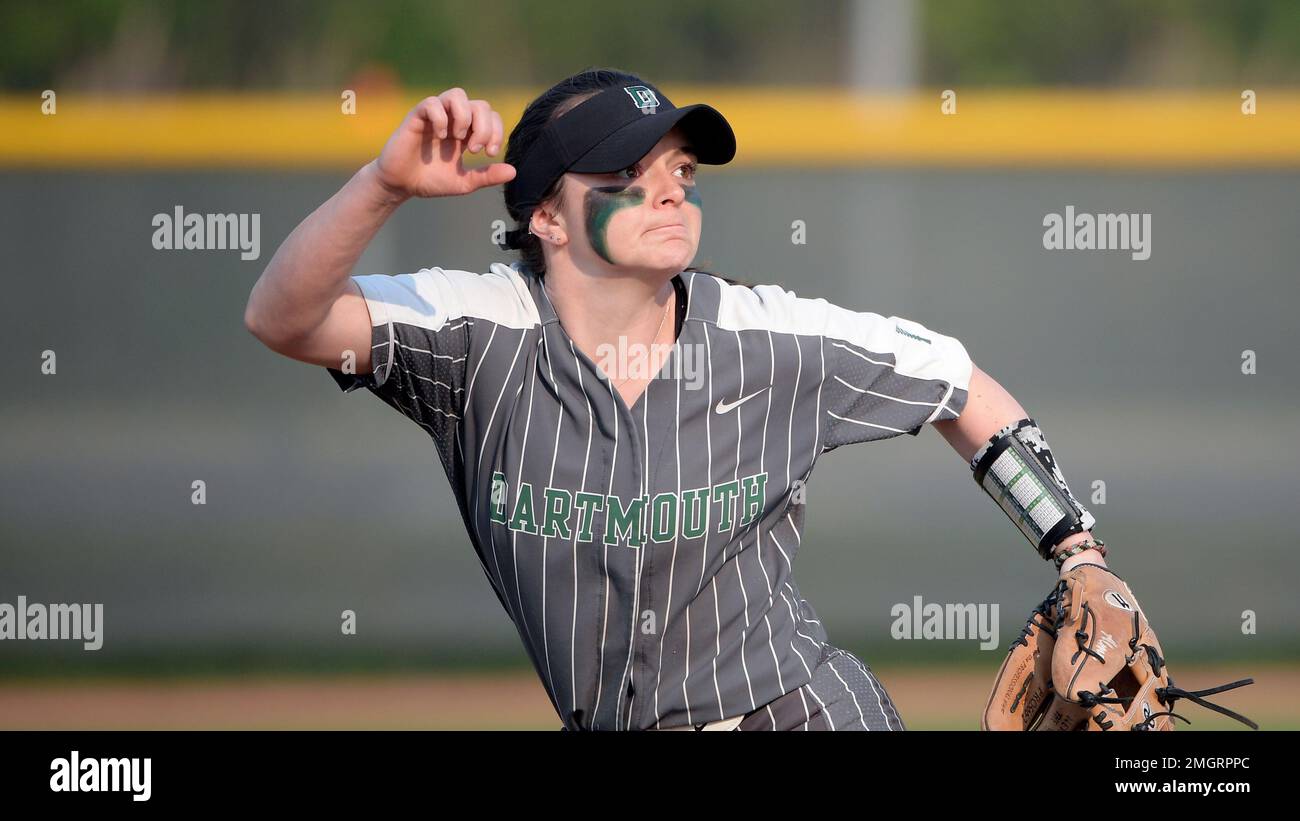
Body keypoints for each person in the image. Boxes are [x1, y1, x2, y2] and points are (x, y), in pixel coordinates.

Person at [244, 67, 1110, 731]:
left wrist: (1077, 551)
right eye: (628, 168)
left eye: (682, 167)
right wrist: (384, 186)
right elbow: (283, 318)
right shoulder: (474, 333)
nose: (672, 187)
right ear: (545, 216)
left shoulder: (769, 336)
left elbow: (958, 385)